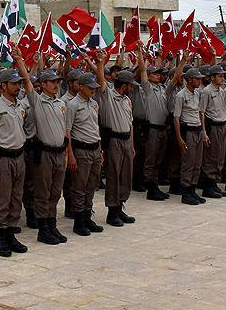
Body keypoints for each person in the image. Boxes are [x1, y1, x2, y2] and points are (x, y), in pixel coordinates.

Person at [15, 50, 68, 245]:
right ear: (43, 84)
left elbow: (64, 129)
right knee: (43, 192)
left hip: (59, 153)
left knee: (56, 192)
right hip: (44, 153)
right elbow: (28, 82)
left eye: (57, 82)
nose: (56, 85)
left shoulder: (61, 103)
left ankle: (52, 225)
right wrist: (20, 60)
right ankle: (43, 228)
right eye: (52, 82)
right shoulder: (37, 101)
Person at [0, 68, 28, 257]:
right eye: (14, 83)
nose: (18, 87)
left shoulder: (20, 106)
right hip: (3, 158)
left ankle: (11, 233)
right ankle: (1, 237)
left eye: (19, 83)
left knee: (17, 198)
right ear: (4, 85)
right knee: (3, 199)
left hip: (19, 156)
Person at [97, 53, 138, 227]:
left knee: (126, 175)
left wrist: (133, 145)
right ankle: (112, 211)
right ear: (124, 85)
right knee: (113, 175)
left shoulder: (127, 100)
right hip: (113, 140)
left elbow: (130, 124)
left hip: (127, 140)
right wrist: (100, 62)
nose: (132, 88)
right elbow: (100, 79)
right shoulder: (108, 96)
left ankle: (120, 206)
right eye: (130, 85)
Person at [65, 70, 105, 235]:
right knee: (79, 187)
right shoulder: (72, 105)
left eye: (94, 87)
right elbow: (67, 132)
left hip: (94, 148)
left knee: (92, 185)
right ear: (80, 87)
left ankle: (88, 216)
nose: (93, 90)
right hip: (81, 150)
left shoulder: (94, 103)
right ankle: (79, 221)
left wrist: (100, 149)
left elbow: (96, 128)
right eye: (90, 87)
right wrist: (71, 155)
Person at [136, 49, 171, 201]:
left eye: (159, 74)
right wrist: (140, 53)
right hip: (152, 129)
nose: (158, 75)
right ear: (149, 77)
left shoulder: (162, 88)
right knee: (151, 159)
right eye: (154, 74)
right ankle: (151, 188)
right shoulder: (147, 88)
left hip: (162, 129)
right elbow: (142, 70)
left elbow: (174, 78)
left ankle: (155, 185)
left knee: (158, 159)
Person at [173, 68, 207, 205]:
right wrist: (180, 138)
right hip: (188, 132)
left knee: (197, 163)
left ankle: (192, 190)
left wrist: (204, 132)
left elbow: (200, 113)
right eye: (197, 79)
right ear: (190, 79)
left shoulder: (198, 94)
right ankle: (186, 192)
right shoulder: (181, 95)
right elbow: (176, 118)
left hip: (198, 130)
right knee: (189, 163)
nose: (199, 81)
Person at [200, 65, 226, 195]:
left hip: (222, 125)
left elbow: (224, 110)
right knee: (211, 156)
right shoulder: (207, 91)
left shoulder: (222, 91)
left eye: (223, 76)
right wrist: (204, 132)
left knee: (220, 155)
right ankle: (208, 186)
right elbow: (201, 112)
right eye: (219, 76)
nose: (222, 78)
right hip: (212, 126)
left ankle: (214, 183)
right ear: (212, 77)